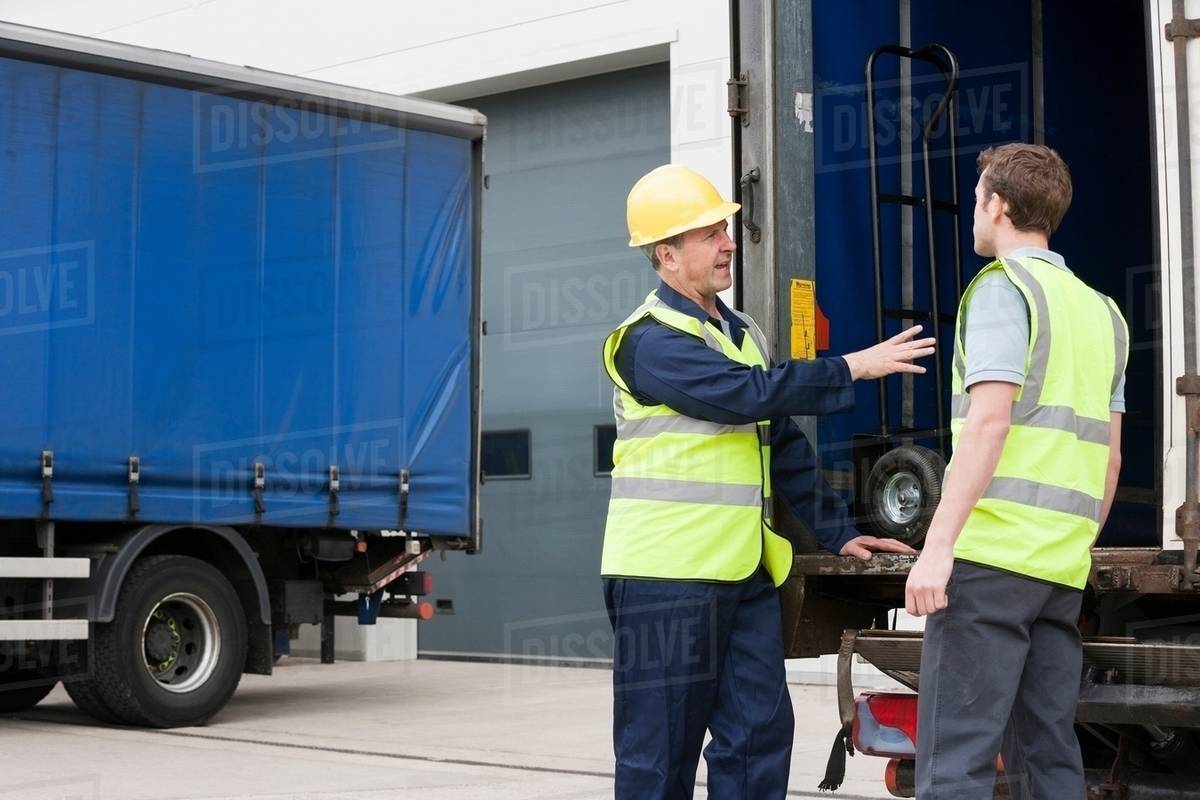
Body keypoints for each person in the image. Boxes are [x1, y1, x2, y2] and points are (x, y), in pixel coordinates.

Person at [601, 163, 933, 799]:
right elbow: (741, 396)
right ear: (667, 254)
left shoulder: (740, 332)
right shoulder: (645, 343)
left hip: (743, 575)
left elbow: (779, 441)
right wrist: (852, 368)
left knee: (758, 735)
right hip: (664, 580)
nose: (728, 242)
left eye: (725, 228)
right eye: (709, 234)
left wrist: (837, 534)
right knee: (658, 753)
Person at [905, 143, 1128, 799]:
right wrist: (1075, 546)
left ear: (997, 206)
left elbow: (989, 422)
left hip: (989, 563)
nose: (975, 212)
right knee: (1049, 758)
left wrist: (937, 547)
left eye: (977, 199)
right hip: (1058, 570)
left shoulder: (1005, 289)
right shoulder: (1103, 312)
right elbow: (1110, 455)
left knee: (956, 762)